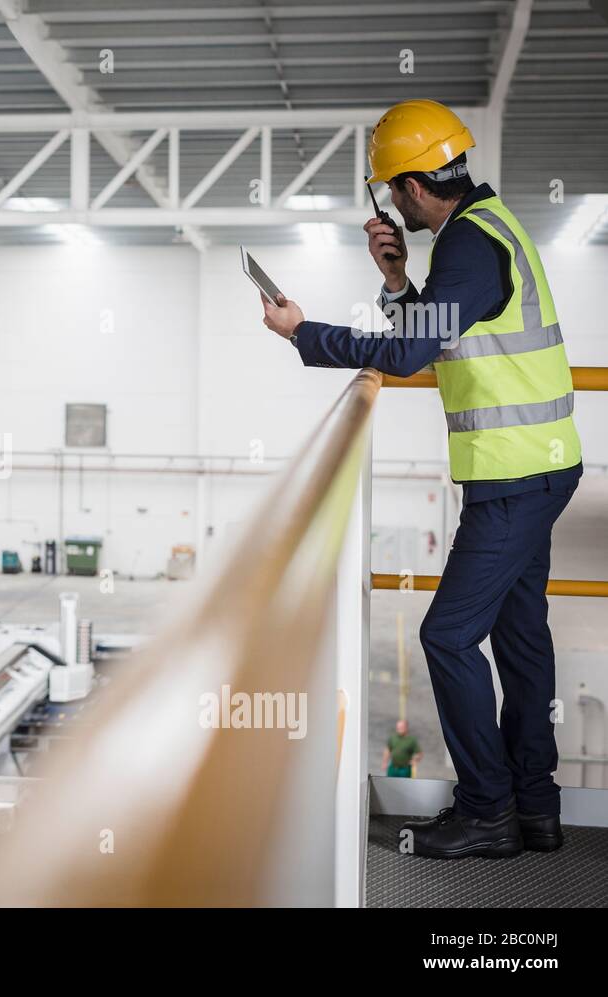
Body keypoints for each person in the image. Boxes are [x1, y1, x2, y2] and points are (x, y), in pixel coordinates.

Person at [260, 99, 580, 859]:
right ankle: (534, 808)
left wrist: (301, 332)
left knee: (446, 636)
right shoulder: (483, 230)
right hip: (539, 466)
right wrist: (399, 279)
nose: (390, 204)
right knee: (522, 639)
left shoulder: (470, 248)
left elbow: (405, 357)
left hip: (513, 479)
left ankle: (488, 812)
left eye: (387, 190)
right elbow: (433, 332)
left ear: (407, 186)